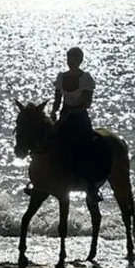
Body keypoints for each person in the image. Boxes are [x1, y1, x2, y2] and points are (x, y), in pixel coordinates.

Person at [51, 46, 109, 184]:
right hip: (64, 117)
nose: (71, 62)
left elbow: (87, 103)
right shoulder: (61, 77)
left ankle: (91, 185)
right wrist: (53, 112)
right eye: (69, 59)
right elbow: (58, 100)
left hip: (80, 118)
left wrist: (71, 111)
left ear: (80, 61)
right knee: (48, 141)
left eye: (74, 59)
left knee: (85, 148)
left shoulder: (86, 79)